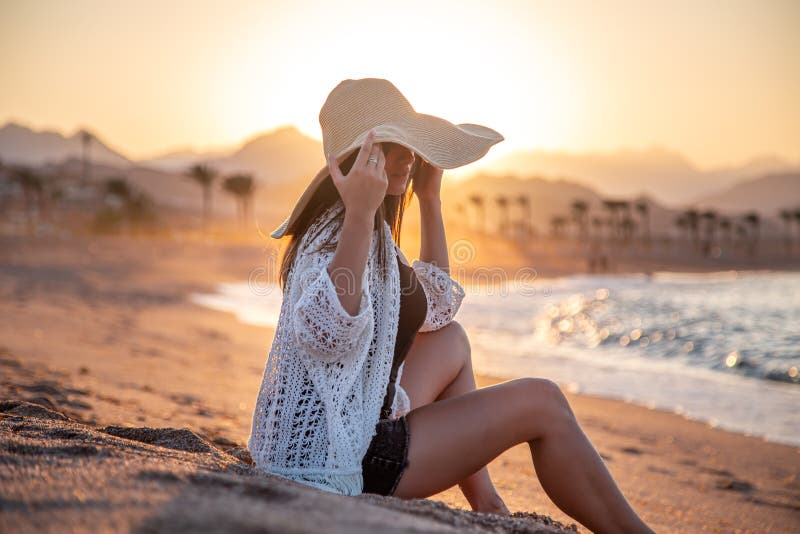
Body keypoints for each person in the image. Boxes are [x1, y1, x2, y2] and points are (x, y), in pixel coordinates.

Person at [249, 78, 654, 533]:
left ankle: (486, 501)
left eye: (411, 146)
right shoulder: (336, 235)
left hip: (356, 421)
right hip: (337, 460)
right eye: (394, 144)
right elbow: (326, 335)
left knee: (452, 339)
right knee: (544, 402)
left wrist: (430, 198)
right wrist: (361, 214)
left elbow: (435, 309)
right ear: (356, 159)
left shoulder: (372, 233)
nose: (409, 157)